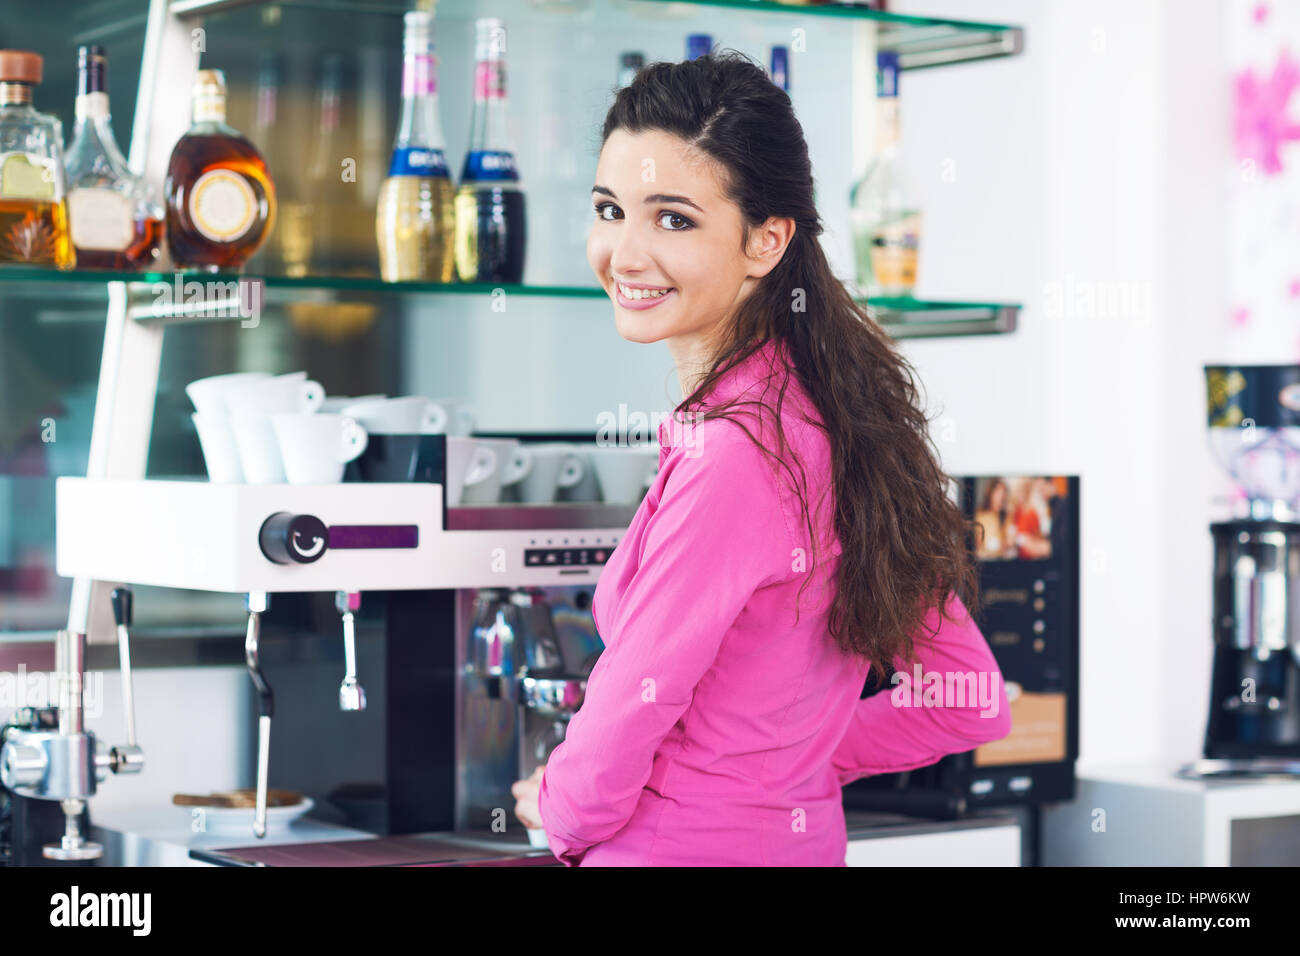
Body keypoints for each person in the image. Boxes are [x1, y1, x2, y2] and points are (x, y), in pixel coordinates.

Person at [510, 51, 1012, 866]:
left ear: (766, 240)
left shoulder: (734, 456)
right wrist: (782, 762)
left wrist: (561, 805)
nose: (625, 254)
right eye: (610, 210)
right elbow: (969, 702)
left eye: (673, 219)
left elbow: (629, 712)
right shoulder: (840, 421)